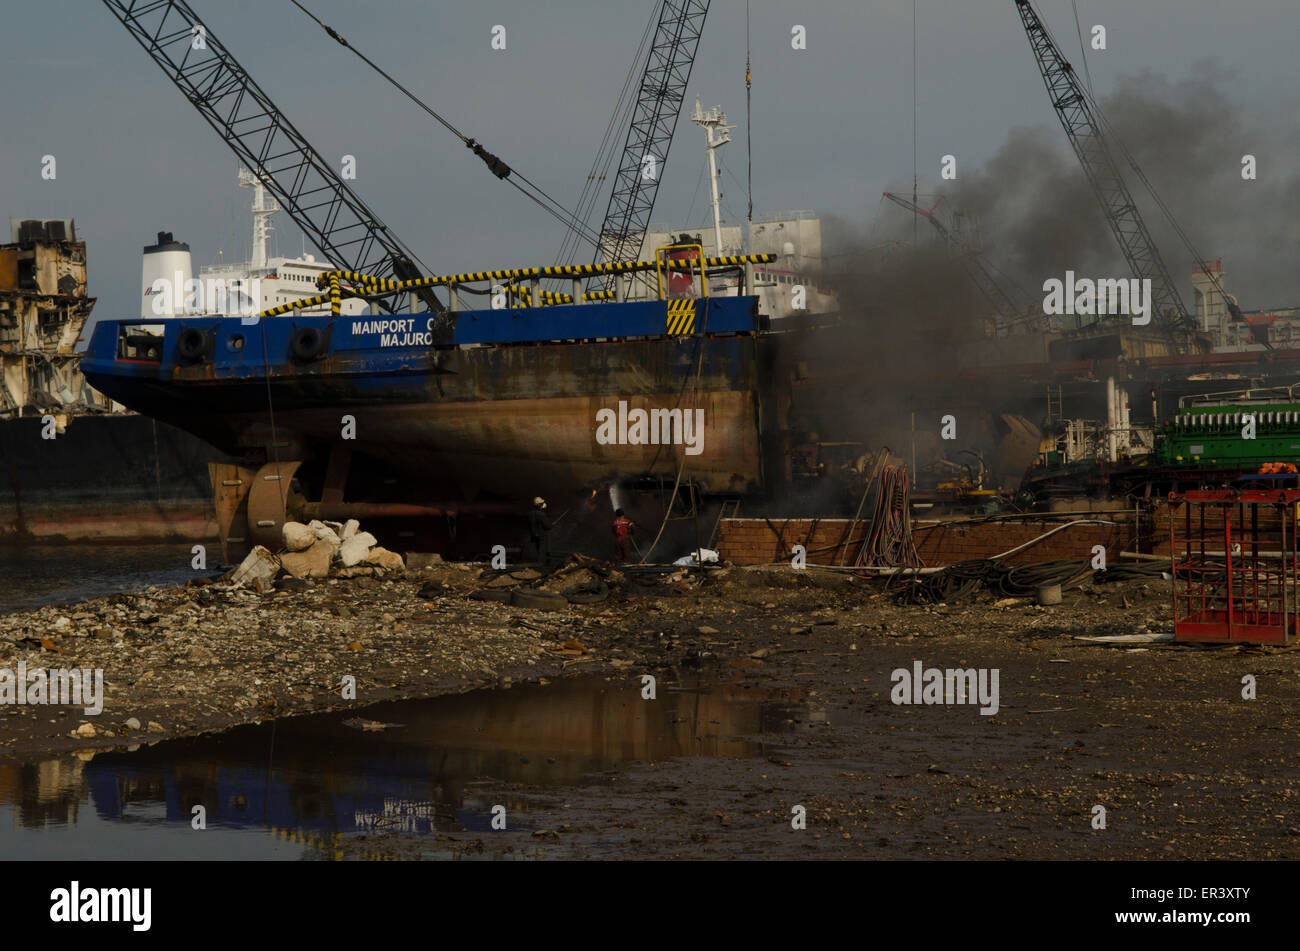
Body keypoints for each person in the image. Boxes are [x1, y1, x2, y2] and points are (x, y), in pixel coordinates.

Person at [529, 497, 553, 565]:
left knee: (536, 549)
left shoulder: (531, 514)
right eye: (542, 503)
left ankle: (535, 562)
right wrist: (551, 525)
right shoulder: (541, 514)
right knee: (543, 550)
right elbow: (548, 526)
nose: (544, 504)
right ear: (539, 505)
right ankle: (542, 564)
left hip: (534, 535)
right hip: (542, 535)